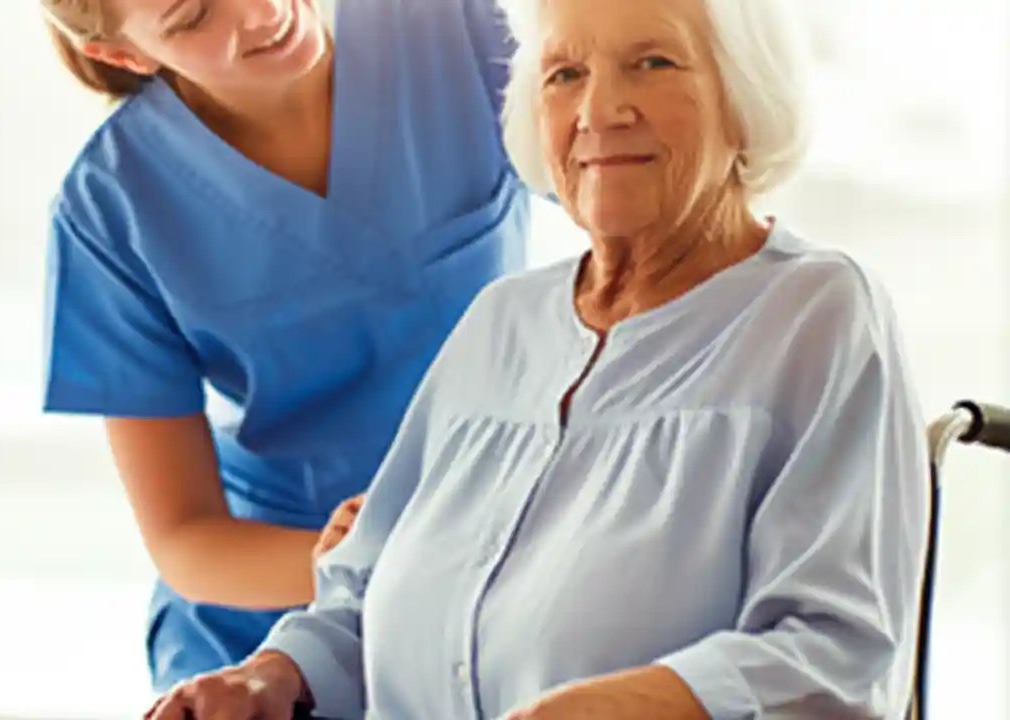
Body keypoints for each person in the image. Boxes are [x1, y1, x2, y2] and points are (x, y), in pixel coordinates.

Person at [148, 0, 931, 716]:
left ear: (743, 97)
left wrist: (628, 707)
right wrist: (275, 672)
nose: (600, 110)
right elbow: (361, 588)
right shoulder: (503, 322)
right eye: (565, 74)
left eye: (653, 63)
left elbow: (840, 655)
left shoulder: (815, 314)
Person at [38, 0, 530, 693]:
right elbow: (186, 538)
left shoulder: (454, 32)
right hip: (262, 608)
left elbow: (648, 202)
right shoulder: (112, 205)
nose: (263, 11)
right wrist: (361, 561)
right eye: (193, 16)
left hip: (494, 568)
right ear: (126, 56)